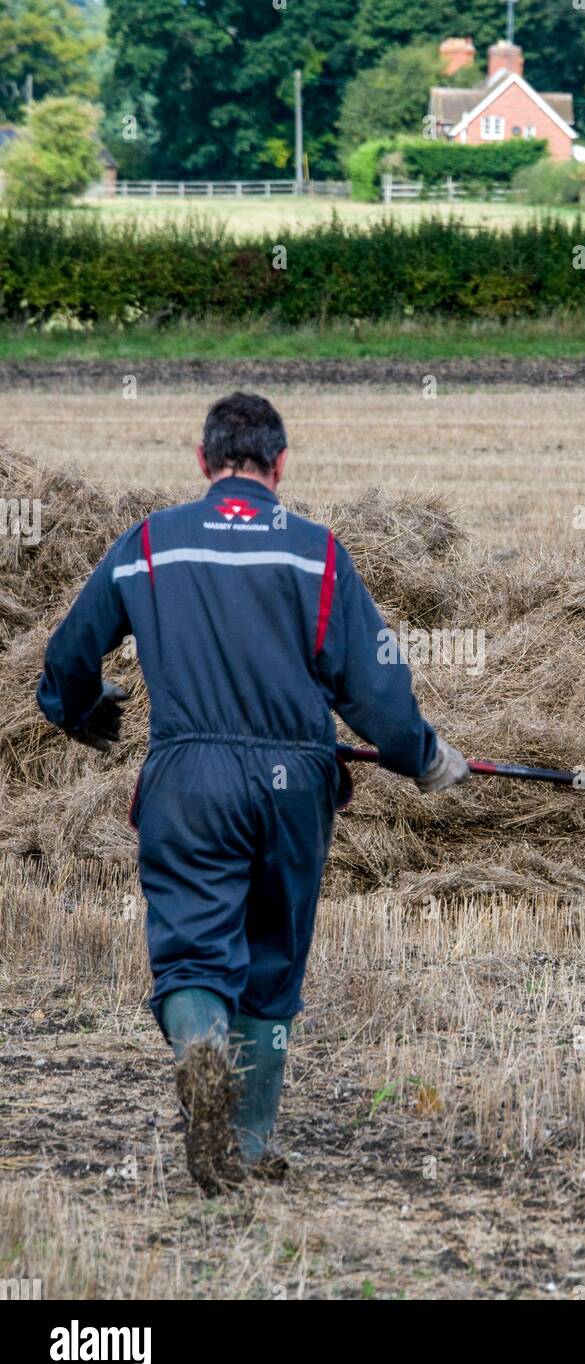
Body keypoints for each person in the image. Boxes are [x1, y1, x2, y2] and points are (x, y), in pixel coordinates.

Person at [36, 392, 469, 1193]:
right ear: (279, 463)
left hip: (188, 778)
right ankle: (250, 1144)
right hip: (294, 781)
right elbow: (373, 691)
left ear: (203, 463)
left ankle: (198, 1045)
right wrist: (423, 755)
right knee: (272, 967)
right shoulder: (317, 554)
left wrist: (81, 710)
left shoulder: (149, 545)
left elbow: (68, 656)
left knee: (195, 957)